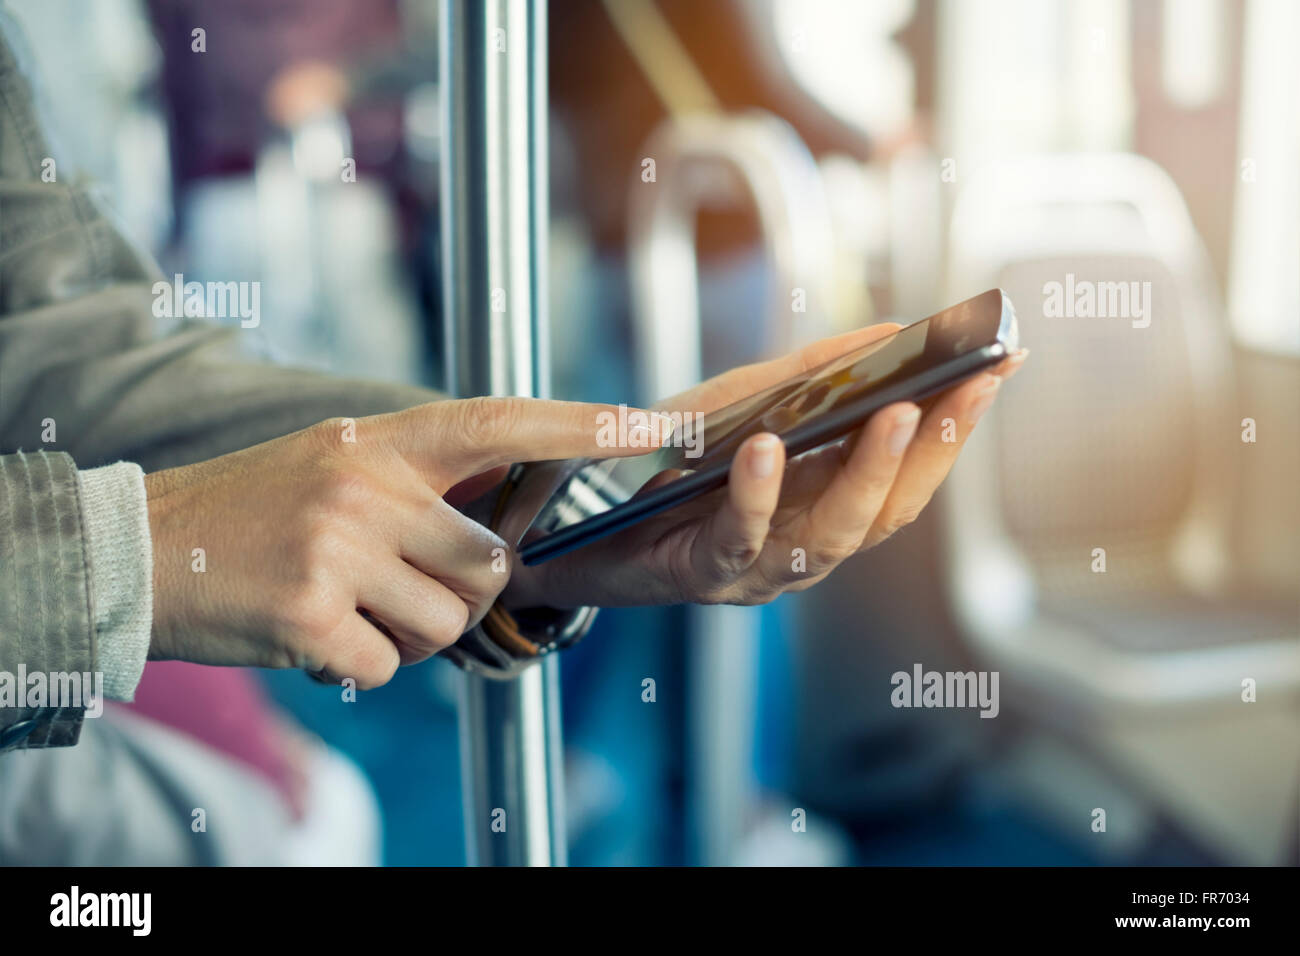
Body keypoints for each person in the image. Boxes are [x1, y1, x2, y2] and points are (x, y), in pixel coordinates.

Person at [0, 8, 1024, 759]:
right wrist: (129, 552)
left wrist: (530, 507)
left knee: (683, 504)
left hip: (636, 233)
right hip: (640, 234)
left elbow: (57, 335)